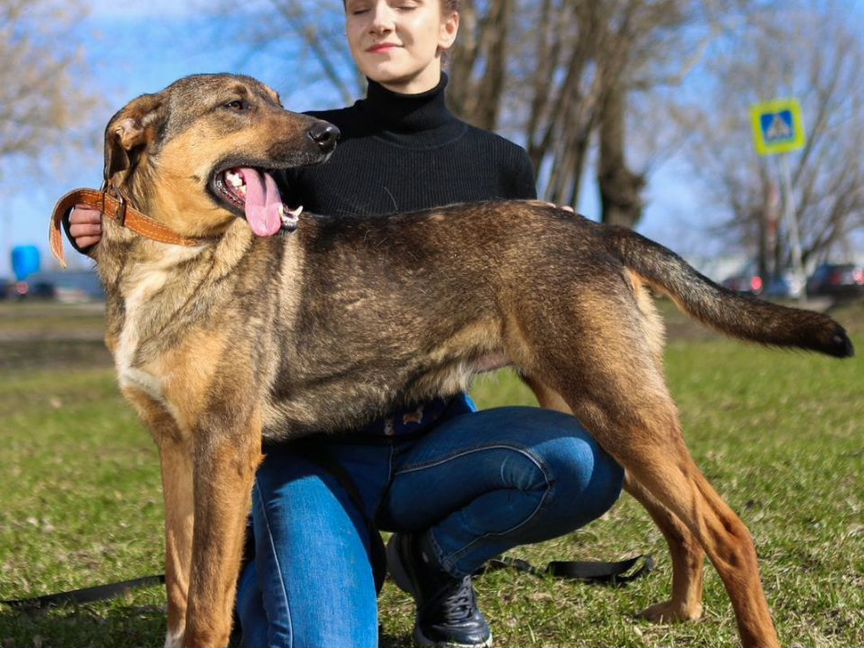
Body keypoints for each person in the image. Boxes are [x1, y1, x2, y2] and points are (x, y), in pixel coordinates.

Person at [67, 1, 624, 647]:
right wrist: (111, 219)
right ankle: (283, 555)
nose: (380, 21)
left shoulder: (502, 161)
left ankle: (437, 561)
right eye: (361, 8)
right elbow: (195, 212)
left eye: (406, 5)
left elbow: (523, 295)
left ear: (449, 26)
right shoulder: (302, 141)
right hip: (315, 455)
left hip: (434, 438)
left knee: (581, 461)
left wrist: (563, 246)